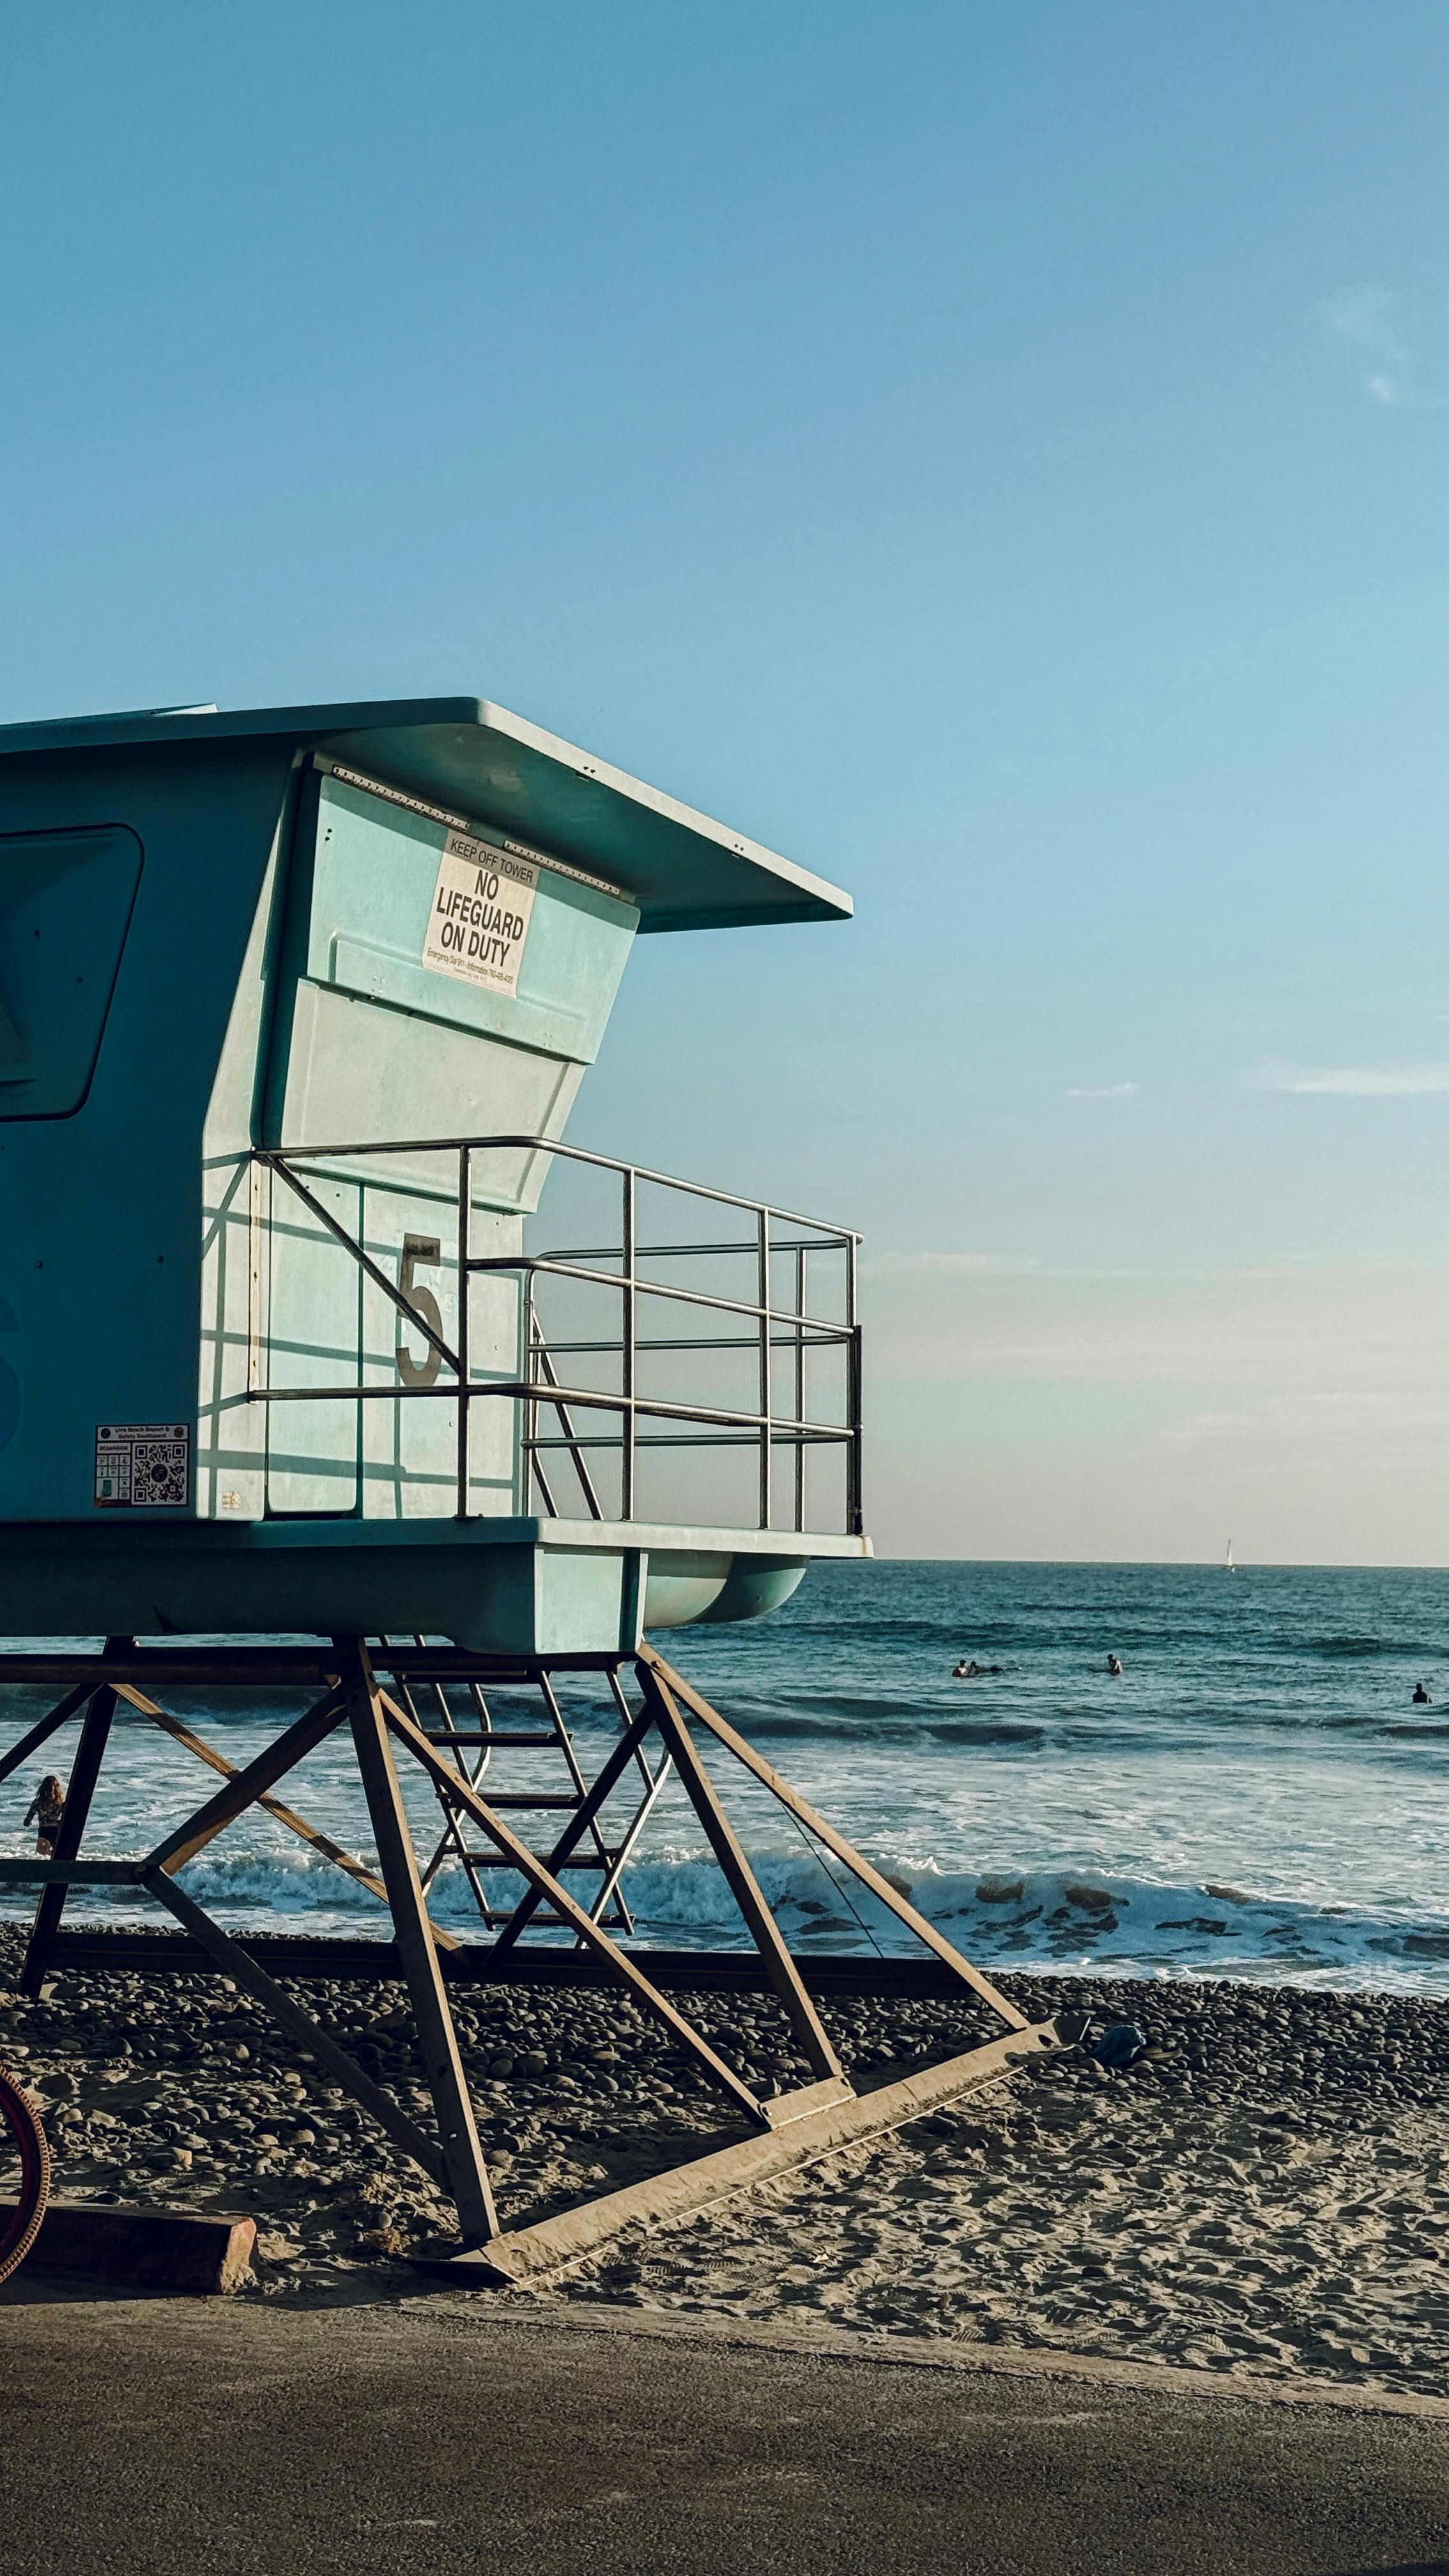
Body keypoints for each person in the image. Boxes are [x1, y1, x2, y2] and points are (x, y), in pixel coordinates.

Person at [24, 1774, 65, 1858]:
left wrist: (27, 1822)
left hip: (44, 1830)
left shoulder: (38, 1802)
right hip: (56, 1830)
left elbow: (27, 1820)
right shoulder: (60, 1803)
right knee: (56, 1855)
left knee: (41, 1856)